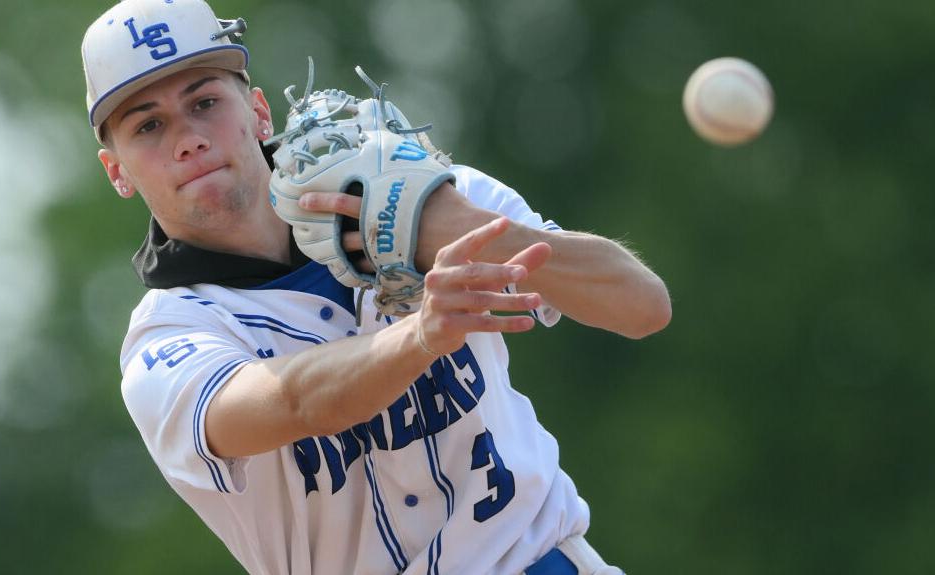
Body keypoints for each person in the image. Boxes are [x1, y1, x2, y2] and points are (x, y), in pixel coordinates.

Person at [81, 0, 671, 573]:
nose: (188, 138)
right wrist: (422, 334)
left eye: (204, 101)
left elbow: (642, 306)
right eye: (149, 125)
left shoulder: (412, 194)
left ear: (259, 112)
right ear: (117, 172)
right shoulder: (169, 335)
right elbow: (294, 402)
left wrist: (460, 226)